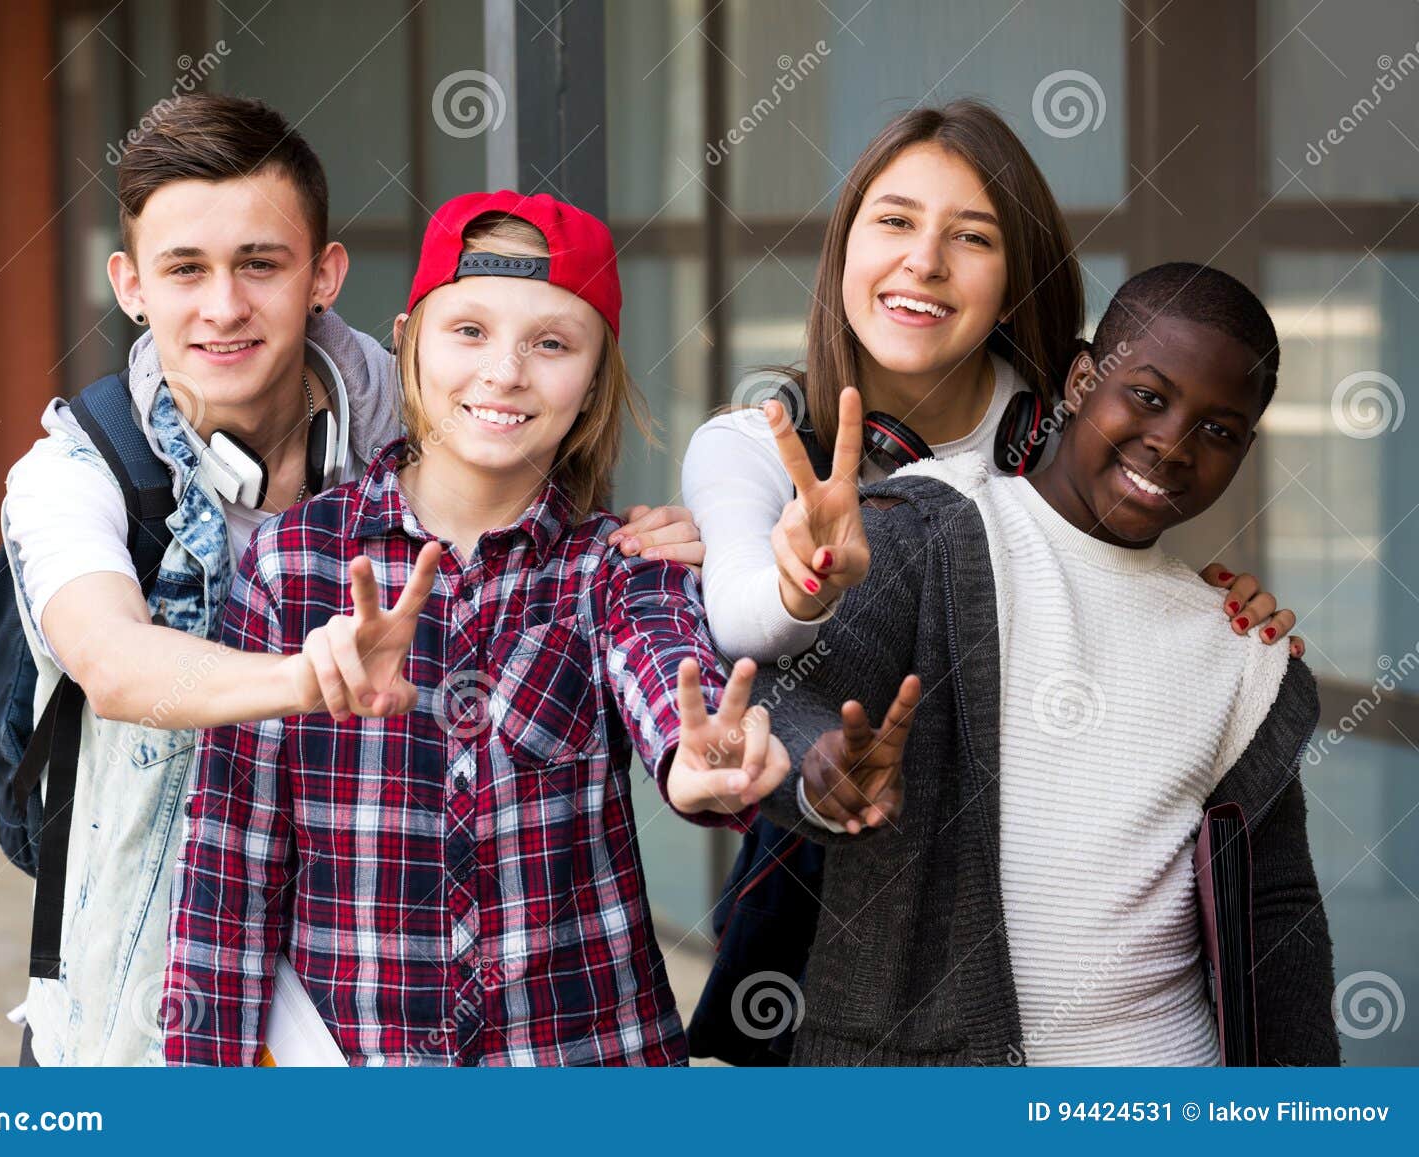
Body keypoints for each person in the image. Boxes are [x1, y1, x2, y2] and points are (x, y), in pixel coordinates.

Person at [2, 95, 699, 1066]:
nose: (223, 305)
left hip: (379, 1004)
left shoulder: (422, 402)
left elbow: (524, 450)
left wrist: (658, 548)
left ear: (325, 274)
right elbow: (117, 665)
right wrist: (306, 678)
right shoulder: (72, 474)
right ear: (129, 285)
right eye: (184, 269)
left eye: (260, 262)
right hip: (142, 995)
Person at [163, 191, 839, 1066]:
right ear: (408, 340)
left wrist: (701, 752)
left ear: (595, 376)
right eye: (469, 331)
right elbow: (230, 864)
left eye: (551, 343)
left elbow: (666, 671)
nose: (506, 371)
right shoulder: (292, 564)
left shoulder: (618, 566)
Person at [755, 263, 1339, 1066]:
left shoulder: (1235, 646)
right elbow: (794, 697)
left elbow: (1276, 907)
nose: (1170, 444)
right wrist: (824, 771)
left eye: (1219, 430)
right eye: (1148, 395)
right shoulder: (930, 532)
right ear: (1081, 378)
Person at [681, 99, 1301, 663]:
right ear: (845, 250)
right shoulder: (748, 447)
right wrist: (801, 584)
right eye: (896, 222)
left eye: (972, 237)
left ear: (1013, 291)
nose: (924, 262)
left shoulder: (1079, 441)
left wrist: (1213, 614)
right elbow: (738, 622)